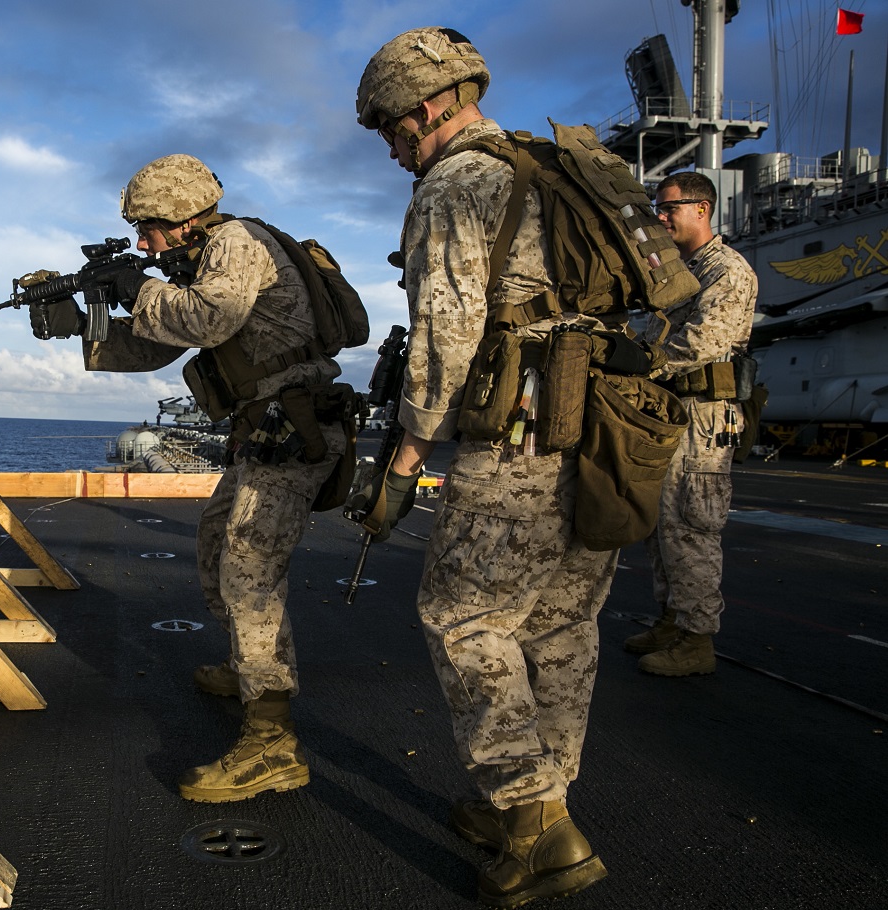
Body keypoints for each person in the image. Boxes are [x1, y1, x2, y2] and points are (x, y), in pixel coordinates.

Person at [354, 27, 617, 906]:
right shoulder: (553, 169)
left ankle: (536, 825)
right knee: (558, 625)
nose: (394, 151)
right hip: (603, 436)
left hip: (516, 444)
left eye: (392, 131)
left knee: (464, 618)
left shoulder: (459, 181)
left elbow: (446, 332)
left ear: (429, 109)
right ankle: (542, 797)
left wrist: (406, 456)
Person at [27, 153, 352, 802]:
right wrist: (82, 322)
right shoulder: (201, 265)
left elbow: (208, 320)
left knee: (249, 571)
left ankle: (271, 741)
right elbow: (152, 345)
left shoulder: (235, 243)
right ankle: (248, 669)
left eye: (147, 229)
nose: (143, 243)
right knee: (215, 544)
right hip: (266, 433)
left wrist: (132, 288)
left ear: (182, 217)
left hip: (294, 428)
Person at [625, 172, 758, 676]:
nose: (661, 217)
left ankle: (697, 638)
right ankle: (672, 619)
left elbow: (701, 342)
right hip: (673, 412)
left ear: (701, 209)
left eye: (669, 208)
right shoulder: (680, 270)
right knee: (662, 526)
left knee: (692, 525)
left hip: (704, 418)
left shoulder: (727, 270)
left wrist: (640, 361)